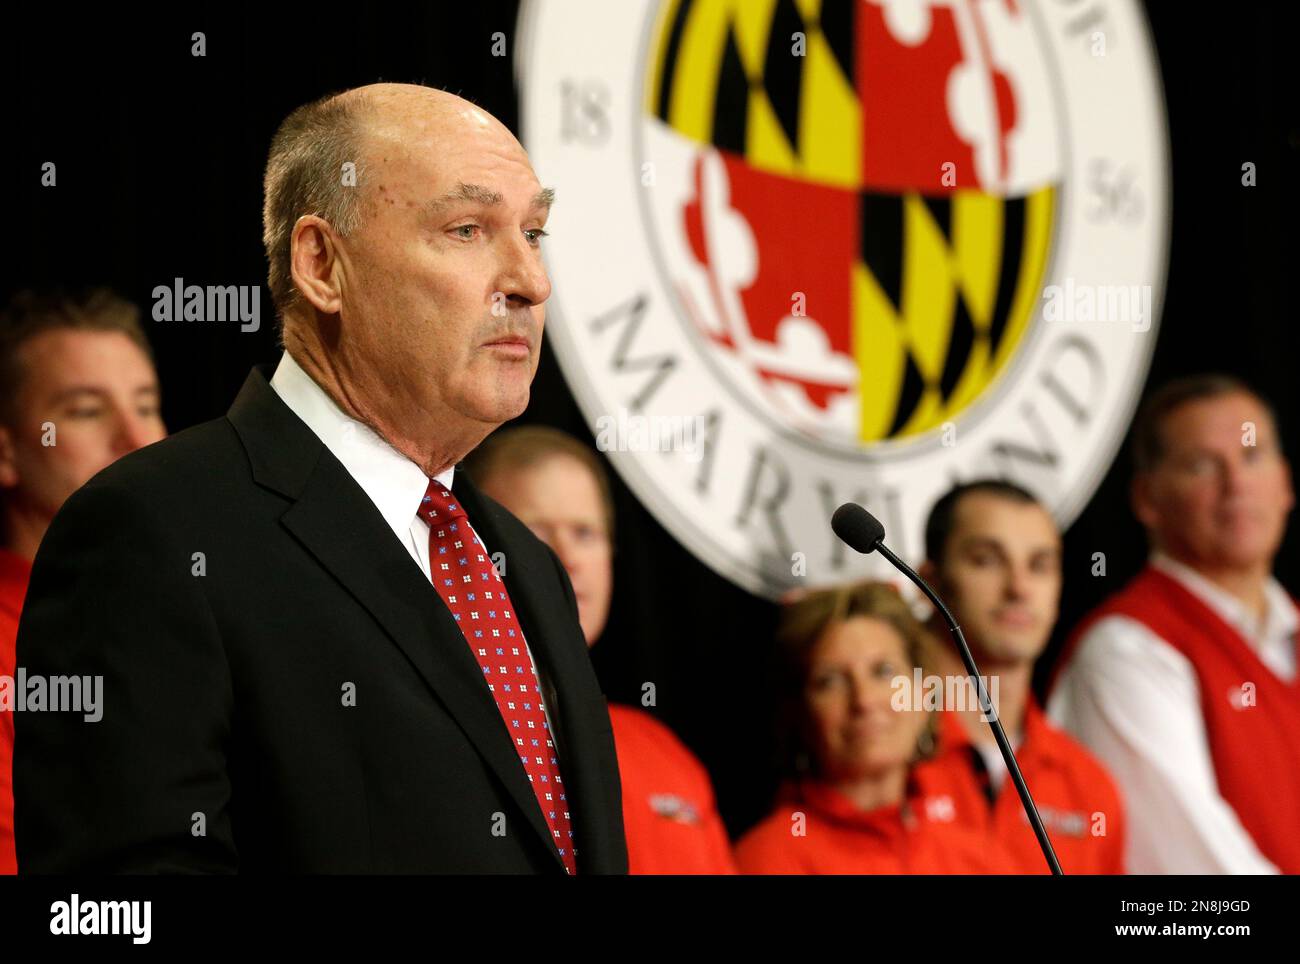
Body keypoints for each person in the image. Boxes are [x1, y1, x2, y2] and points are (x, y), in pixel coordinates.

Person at [14, 84, 626, 874]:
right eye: (469, 229)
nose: (531, 282)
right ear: (321, 264)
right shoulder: (154, 530)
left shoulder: (524, 565)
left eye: (534, 232)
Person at [1049, 374, 1300, 873]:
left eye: (1253, 457)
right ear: (1147, 500)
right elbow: (1195, 873)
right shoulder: (1124, 649)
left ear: (1286, 484)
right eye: (1202, 465)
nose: (1237, 484)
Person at [467, 425, 737, 873]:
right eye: (534, 534)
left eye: (585, 533)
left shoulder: (664, 753)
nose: (566, 558)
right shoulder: (452, 731)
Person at [0, 288, 167, 875]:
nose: (136, 440)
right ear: (8, 450)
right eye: (86, 410)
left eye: (146, 406)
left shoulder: (194, 612)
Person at [735, 582, 1024, 874]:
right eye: (830, 680)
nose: (864, 700)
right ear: (800, 712)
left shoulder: (980, 859)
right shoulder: (768, 860)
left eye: (883, 672)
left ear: (924, 695)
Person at [915, 480, 1126, 874]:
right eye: (986, 560)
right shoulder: (871, 746)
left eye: (1040, 565)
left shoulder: (1088, 786)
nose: (1019, 588)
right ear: (931, 582)